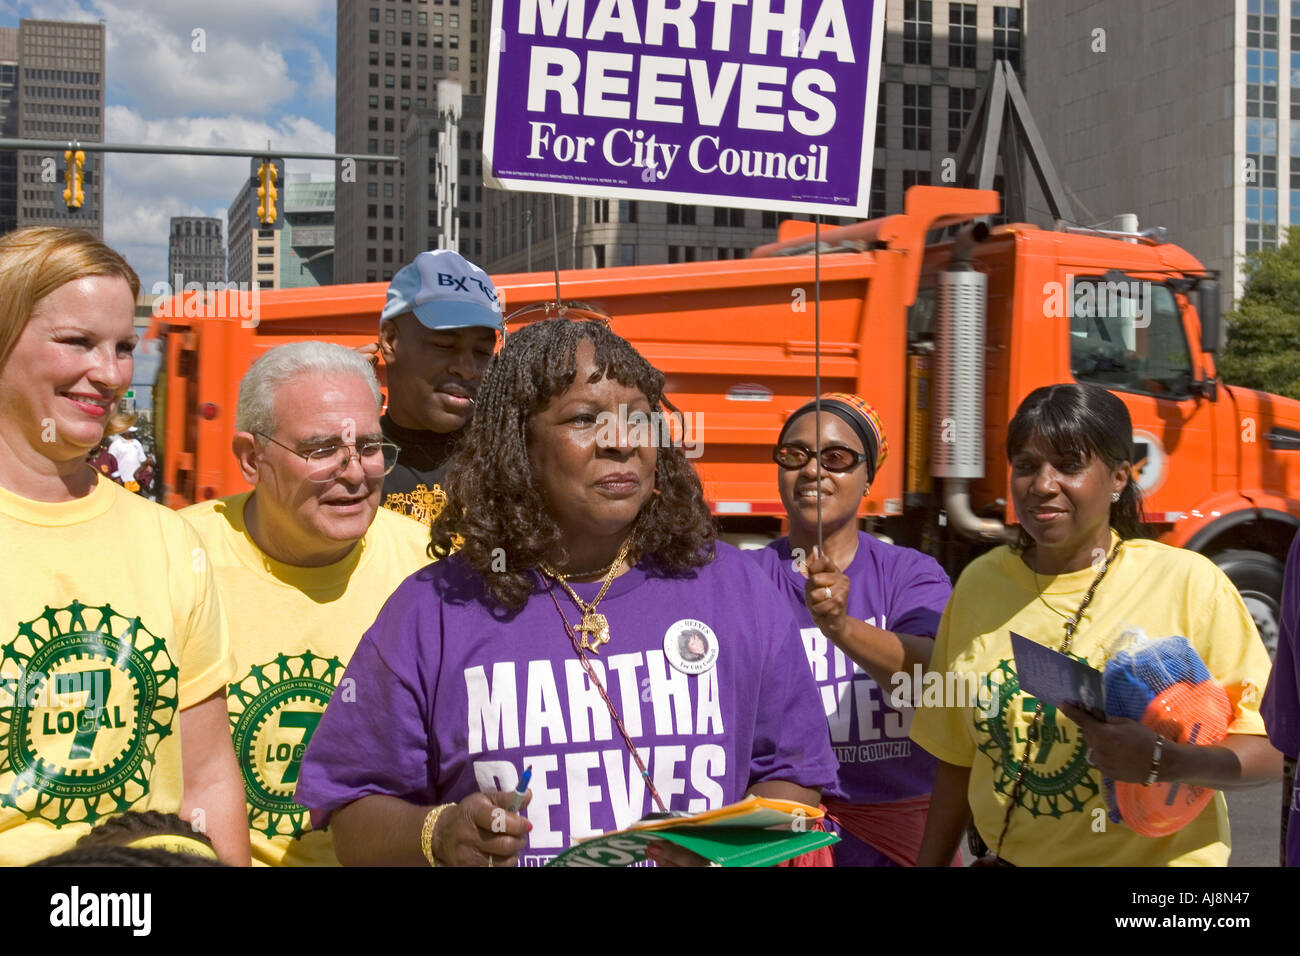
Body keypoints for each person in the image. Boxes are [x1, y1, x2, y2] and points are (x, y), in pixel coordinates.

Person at [295, 318, 838, 866]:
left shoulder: (740, 590)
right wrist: (440, 832)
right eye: (584, 418)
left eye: (639, 420)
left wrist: (726, 855)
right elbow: (354, 821)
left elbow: (797, 782)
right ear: (518, 445)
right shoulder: (431, 609)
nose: (621, 442)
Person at [910, 383, 1280, 866]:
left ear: (1119, 477)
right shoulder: (980, 584)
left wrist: (1164, 762)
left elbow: (1269, 751)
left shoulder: (1188, 583)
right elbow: (957, 760)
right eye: (1026, 466)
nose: (1042, 484)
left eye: (1068, 465)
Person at [0, 226, 248, 866]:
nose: (108, 374)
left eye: (122, 347)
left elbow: (209, 779)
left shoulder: (168, 539)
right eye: (77, 342)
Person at [181, 342, 431, 866]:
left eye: (368, 445)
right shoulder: (175, 558)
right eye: (321, 450)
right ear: (251, 458)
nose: (356, 472)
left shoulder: (432, 570)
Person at [748, 394, 952, 866]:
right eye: (794, 455)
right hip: (778, 836)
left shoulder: (910, 574)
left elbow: (932, 681)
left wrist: (840, 627)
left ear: (867, 481)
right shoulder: (741, 577)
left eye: (836, 458)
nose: (813, 470)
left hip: (898, 838)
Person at [374, 249, 503, 526]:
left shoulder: (511, 462)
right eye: (444, 345)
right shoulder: (348, 462)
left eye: (482, 351)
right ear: (390, 340)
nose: (467, 368)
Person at [108, 425, 146, 489]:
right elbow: (110, 462)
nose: (134, 433)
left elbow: (142, 460)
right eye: (132, 432)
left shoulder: (136, 443)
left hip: (135, 480)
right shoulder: (116, 444)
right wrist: (116, 477)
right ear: (125, 432)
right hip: (122, 480)